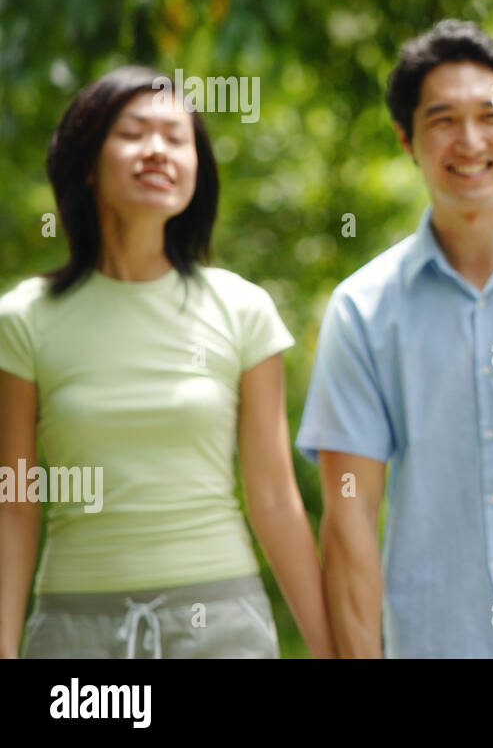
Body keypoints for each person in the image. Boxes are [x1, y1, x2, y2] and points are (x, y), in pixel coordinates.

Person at [0, 66, 334, 659]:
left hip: (221, 624)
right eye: (133, 132)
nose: (157, 150)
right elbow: (14, 502)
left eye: (176, 138)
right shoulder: (24, 318)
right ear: (85, 160)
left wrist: (333, 650)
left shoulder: (242, 309)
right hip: (73, 631)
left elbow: (276, 499)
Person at [297, 20, 493, 657]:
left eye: (490, 115)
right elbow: (349, 518)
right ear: (406, 138)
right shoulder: (364, 310)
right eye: (441, 120)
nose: (470, 141)